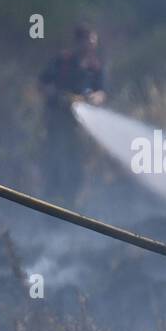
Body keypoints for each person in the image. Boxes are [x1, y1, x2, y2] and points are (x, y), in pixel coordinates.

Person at [38, 24, 105, 208]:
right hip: (58, 122)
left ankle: (72, 203)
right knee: (55, 161)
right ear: (79, 42)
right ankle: (49, 203)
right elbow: (43, 83)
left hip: (81, 126)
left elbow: (101, 92)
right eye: (88, 42)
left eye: (93, 42)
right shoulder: (62, 61)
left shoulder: (94, 67)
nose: (91, 46)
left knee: (77, 164)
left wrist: (93, 99)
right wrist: (58, 96)